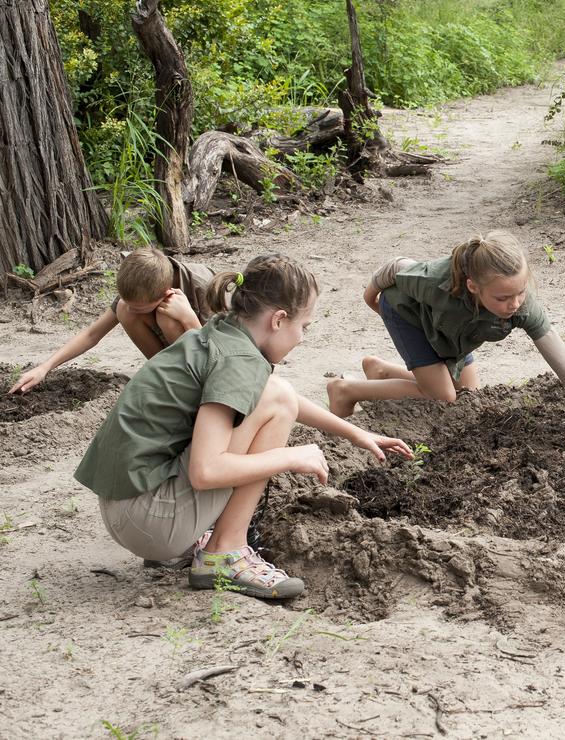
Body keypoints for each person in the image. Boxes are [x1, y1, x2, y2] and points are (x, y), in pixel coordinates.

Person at [74, 254, 413, 599]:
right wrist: (291, 457)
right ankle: (225, 552)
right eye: (304, 326)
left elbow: (281, 396)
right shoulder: (239, 361)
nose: (302, 338)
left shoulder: (224, 332)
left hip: (125, 510)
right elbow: (206, 471)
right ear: (279, 320)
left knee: (277, 395)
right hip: (150, 520)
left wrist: (356, 433)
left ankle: (201, 542)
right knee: (276, 400)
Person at [327, 231, 565, 455]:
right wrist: (371, 300)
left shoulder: (521, 306)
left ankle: (381, 371)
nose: (514, 304)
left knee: (469, 394)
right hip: (410, 317)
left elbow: (559, 355)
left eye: (521, 292)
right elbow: (395, 267)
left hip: (454, 335)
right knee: (443, 396)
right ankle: (347, 390)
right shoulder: (437, 281)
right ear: (473, 287)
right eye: (503, 298)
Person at [7, 246, 215, 394]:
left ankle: (189, 386)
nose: (133, 310)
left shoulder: (204, 286)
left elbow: (223, 352)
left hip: (211, 365)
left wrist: (189, 320)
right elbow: (92, 334)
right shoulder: (139, 281)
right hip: (182, 357)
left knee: (166, 317)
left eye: (140, 307)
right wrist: (45, 367)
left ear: (166, 292)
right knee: (124, 311)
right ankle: (167, 377)